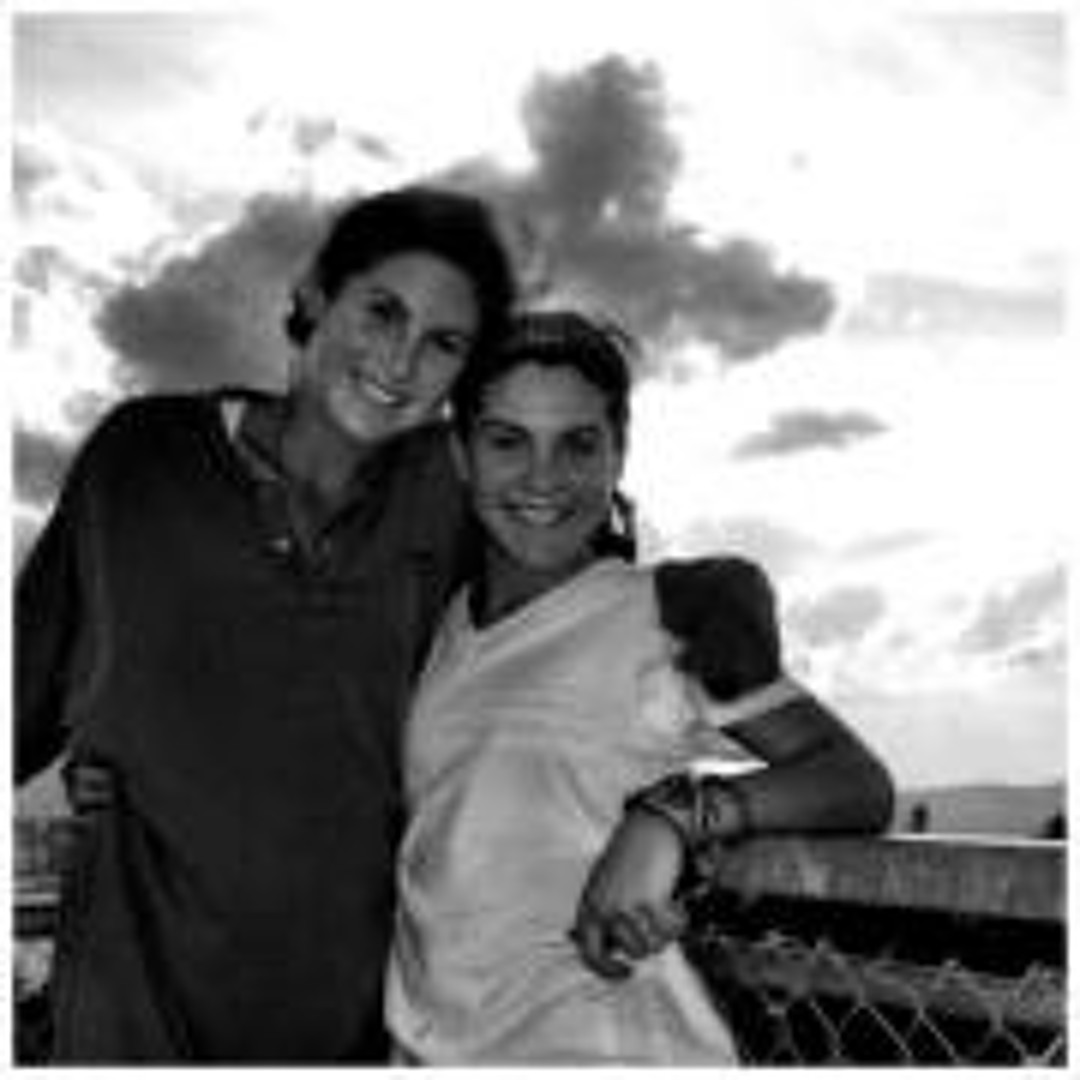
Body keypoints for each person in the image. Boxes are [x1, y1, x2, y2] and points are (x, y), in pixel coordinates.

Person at [15, 185, 518, 1062]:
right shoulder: (144, 456)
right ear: (316, 295)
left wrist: (704, 596)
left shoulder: (452, 496)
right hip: (133, 1006)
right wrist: (114, 727)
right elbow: (26, 685)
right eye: (382, 312)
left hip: (347, 1011)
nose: (401, 360)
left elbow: (576, 600)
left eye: (444, 344)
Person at [385, 309, 895, 1064]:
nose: (543, 477)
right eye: (507, 441)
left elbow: (855, 781)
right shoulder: (442, 624)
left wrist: (672, 818)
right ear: (461, 455)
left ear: (619, 454)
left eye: (578, 444)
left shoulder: (663, 615)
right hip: (437, 1047)